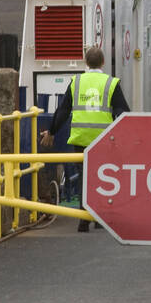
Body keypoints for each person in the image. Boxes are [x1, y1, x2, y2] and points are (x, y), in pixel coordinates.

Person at [40, 46, 130, 231]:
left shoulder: (77, 82)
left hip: (81, 139)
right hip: (104, 139)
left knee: (84, 177)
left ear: (86, 62)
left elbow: (63, 111)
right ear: (103, 62)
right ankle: (99, 219)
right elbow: (122, 112)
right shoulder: (110, 83)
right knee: (103, 176)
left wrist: (52, 131)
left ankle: (83, 219)